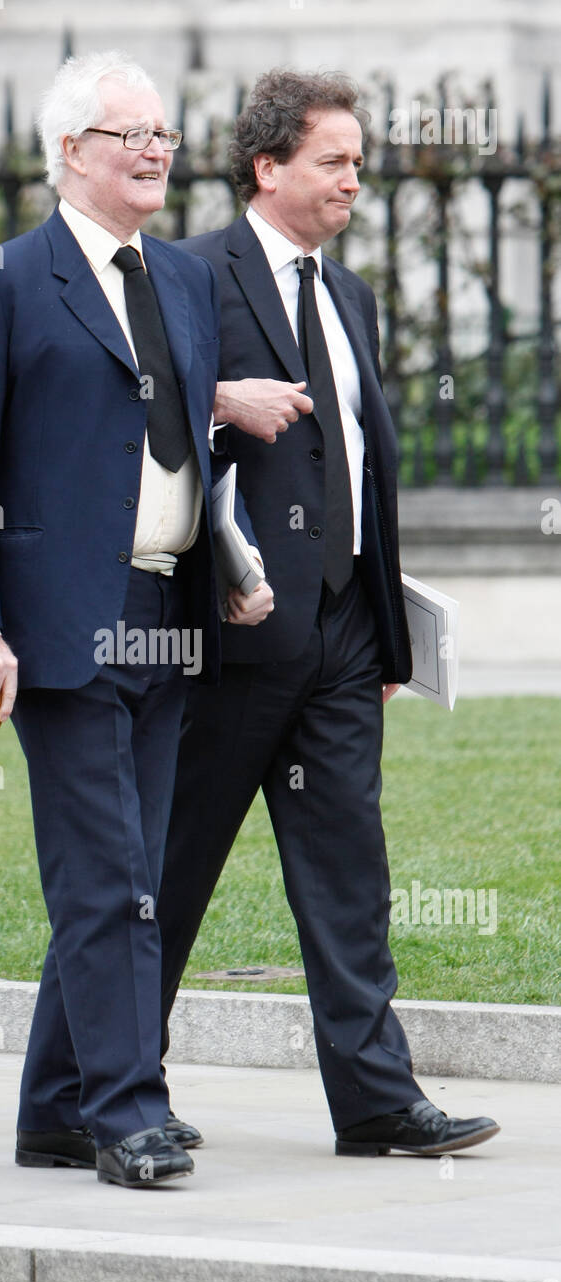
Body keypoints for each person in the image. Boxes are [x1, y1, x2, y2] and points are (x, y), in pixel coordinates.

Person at [0, 52, 273, 1189]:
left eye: (164, 133)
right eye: (131, 136)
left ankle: (55, 1108)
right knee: (103, 868)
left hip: (165, 607)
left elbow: (169, 432)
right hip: (61, 622)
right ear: (70, 153)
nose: (157, 151)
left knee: (141, 869)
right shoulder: (2, 282)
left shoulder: (177, 279)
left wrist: (230, 557)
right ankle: (127, 1111)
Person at [158, 69, 500, 1158]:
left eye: (358, 160)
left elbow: (361, 467)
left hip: (346, 638)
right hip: (231, 635)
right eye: (334, 160)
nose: (356, 177)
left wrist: (386, 631)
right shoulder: (189, 277)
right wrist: (216, 400)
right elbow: (125, 405)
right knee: (168, 873)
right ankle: (103, 1087)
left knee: (352, 874)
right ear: (268, 167)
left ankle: (377, 1101)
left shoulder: (347, 296)